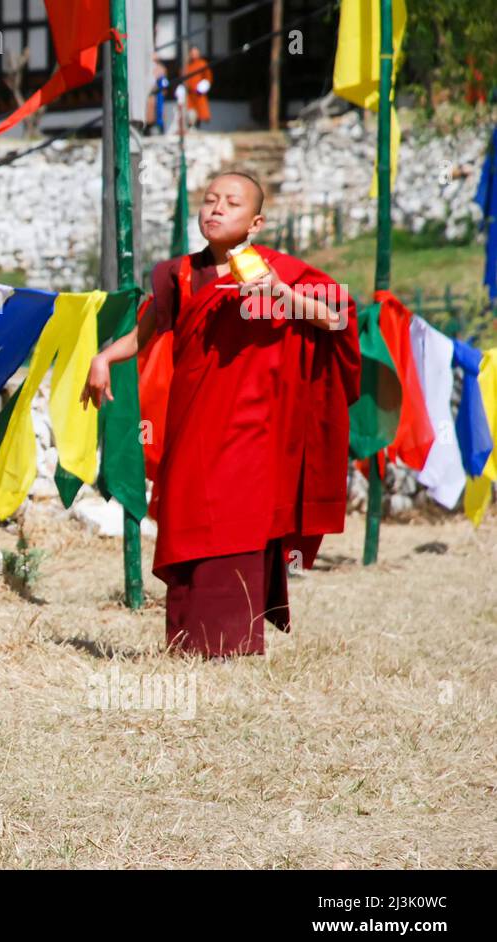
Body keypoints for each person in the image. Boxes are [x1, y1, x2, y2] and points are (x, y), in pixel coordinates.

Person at [81, 173, 360, 657]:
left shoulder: (279, 270)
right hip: (194, 420)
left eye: (231, 203)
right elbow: (146, 331)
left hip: (255, 423)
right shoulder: (179, 274)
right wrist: (104, 358)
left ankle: (231, 641)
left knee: (238, 517)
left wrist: (280, 293)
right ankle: (190, 640)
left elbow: (337, 316)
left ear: (255, 222)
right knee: (188, 513)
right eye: (209, 200)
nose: (215, 209)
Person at [184, 46, 212, 128]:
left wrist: (204, 86)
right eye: (192, 53)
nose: (194, 55)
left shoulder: (202, 64)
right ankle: (190, 125)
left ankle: (197, 126)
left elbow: (208, 77)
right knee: (189, 111)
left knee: (200, 112)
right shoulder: (187, 65)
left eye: (195, 53)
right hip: (189, 93)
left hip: (199, 92)